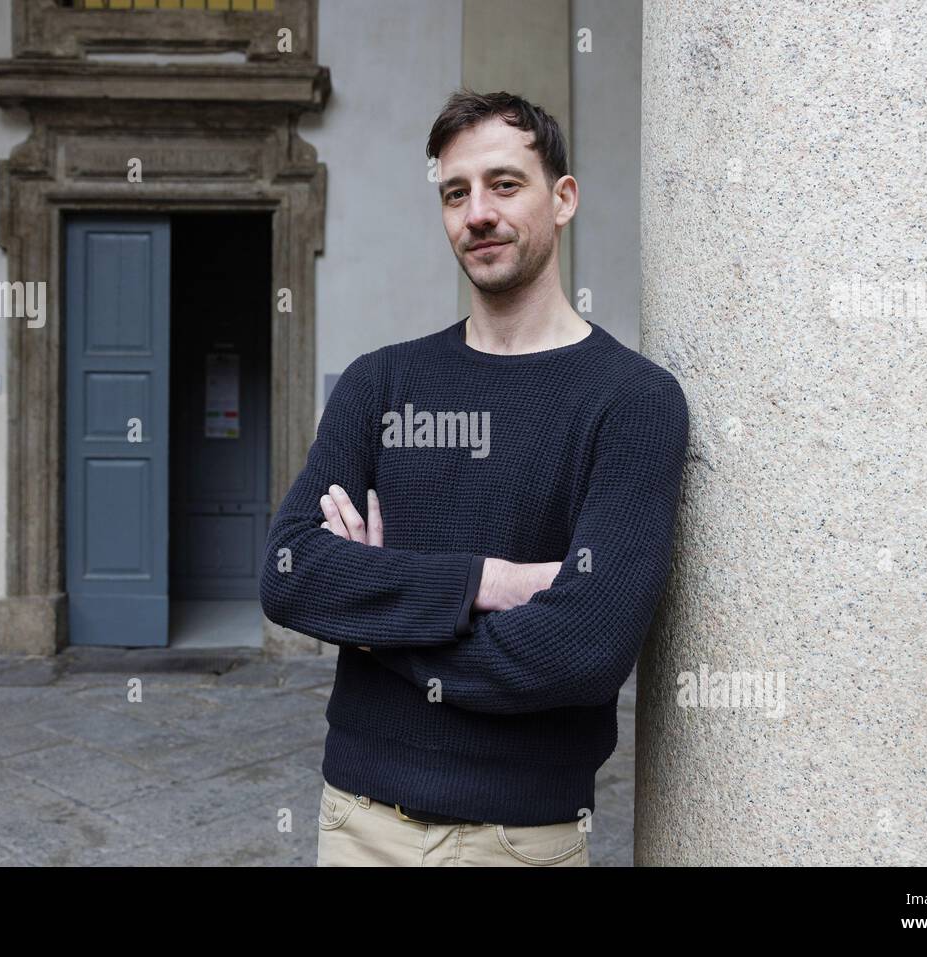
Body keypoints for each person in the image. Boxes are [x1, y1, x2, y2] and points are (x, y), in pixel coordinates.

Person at [259, 88, 689, 866]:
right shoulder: (379, 383)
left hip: (519, 839)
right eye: (456, 192)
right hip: (358, 825)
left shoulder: (634, 402)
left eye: (503, 184)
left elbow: (583, 648)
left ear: (562, 199)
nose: (477, 212)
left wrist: (376, 609)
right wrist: (489, 582)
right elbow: (289, 573)